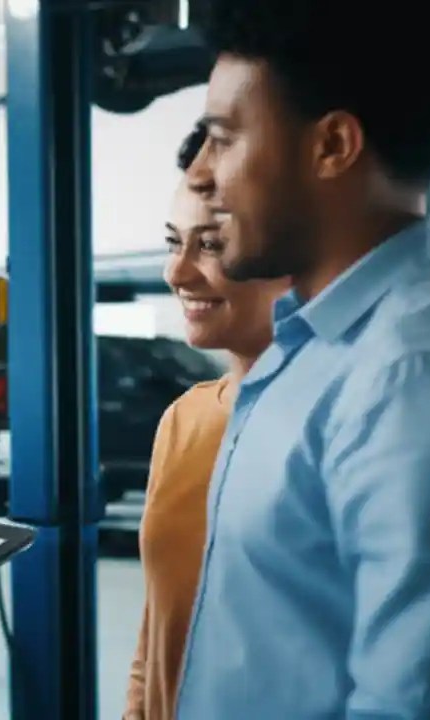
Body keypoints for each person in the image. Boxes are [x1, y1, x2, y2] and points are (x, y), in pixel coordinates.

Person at [174, 0, 430, 717]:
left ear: (333, 146)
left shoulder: (416, 373)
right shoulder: (308, 350)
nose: (200, 173)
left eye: (223, 139)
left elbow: (424, 703)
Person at [122, 123, 289, 720]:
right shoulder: (185, 420)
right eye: (174, 243)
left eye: (212, 245)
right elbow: (158, 630)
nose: (178, 273)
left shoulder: (338, 425)